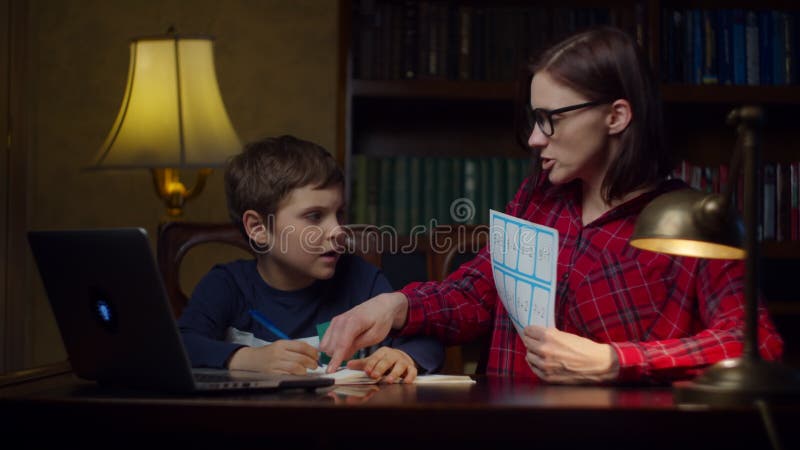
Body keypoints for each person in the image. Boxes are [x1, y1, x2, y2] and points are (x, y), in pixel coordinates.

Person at [320, 26, 784, 384]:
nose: (534, 138)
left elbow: (756, 343)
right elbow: (477, 294)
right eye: (532, 118)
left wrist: (615, 361)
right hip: (503, 426)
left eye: (549, 119)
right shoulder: (538, 197)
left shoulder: (692, 224)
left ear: (616, 116)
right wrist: (395, 305)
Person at [177, 135, 443, 382]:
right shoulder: (227, 285)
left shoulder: (362, 279)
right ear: (258, 228)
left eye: (339, 214)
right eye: (315, 216)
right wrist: (244, 359)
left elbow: (426, 340)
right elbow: (180, 344)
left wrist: (404, 357)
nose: (338, 230)